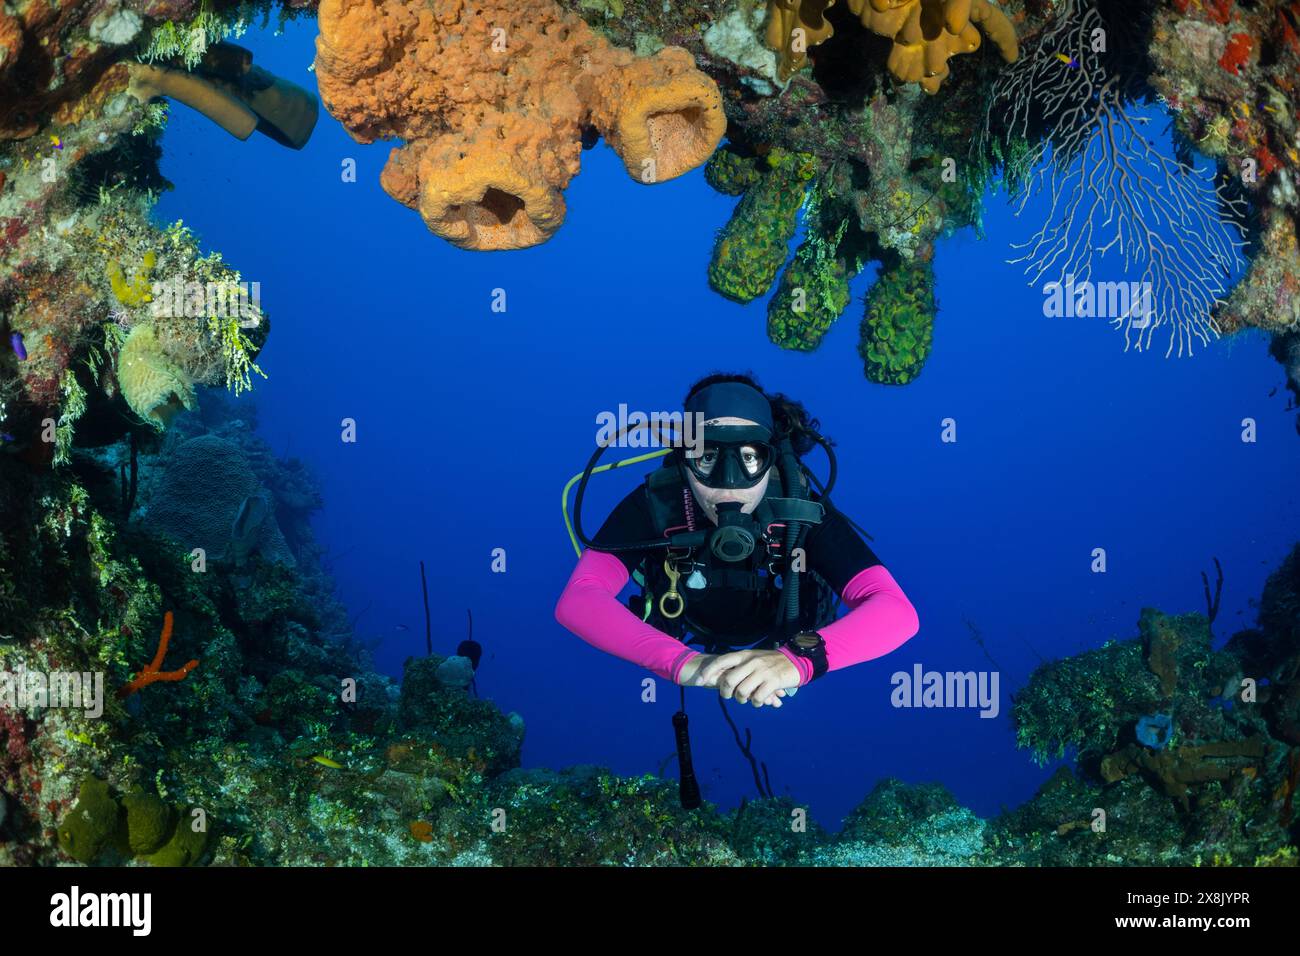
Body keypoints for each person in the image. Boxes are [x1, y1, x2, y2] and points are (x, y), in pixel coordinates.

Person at [555, 373, 920, 708]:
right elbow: (580, 598)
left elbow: (896, 610)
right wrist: (681, 661)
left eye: (749, 457)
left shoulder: (800, 508)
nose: (728, 482)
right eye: (708, 455)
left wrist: (796, 662)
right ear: (684, 460)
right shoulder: (659, 504)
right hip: (690, 629)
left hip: (785, 634)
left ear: (771, 460)